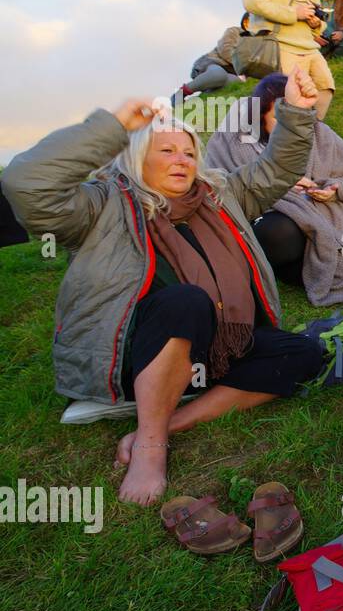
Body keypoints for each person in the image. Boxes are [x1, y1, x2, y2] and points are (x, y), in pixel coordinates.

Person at [2, 68, 326, 505]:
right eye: (167, 150)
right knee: (185, 302)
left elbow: (278, 168)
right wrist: (111, 128)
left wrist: (295, 113)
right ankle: (151, 448)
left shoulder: (219, 195)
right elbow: (27, 185)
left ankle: (167, 419)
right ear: (137, 158)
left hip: (216, 347)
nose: (181, 161)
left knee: (305, 351)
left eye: (189, 153)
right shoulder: (100, 206)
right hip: (133, 353)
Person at [207, 73, 343, 306]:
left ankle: (310, 264)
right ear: (259, 117)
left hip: (325, 214)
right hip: (271, 218)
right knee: (277, 233)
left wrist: (331, 188)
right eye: (278, 118)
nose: (286, 124)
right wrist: (280, 185)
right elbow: (220, 192)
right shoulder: (233, 139)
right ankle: (283, 264)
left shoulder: (319, 132)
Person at [242, 0, 335, 119]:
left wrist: (316, 23)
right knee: (288, 95)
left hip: (309, 46)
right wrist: (293, 13)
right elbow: (253, 1)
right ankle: (281, 138)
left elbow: (317, 17)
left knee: (325, 87)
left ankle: (310, 135)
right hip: (279, 44)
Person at [177, 13, 249, 100]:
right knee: (219, 75)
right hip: (212, 63)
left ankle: (202, 98)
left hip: (230, 73)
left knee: (236, 83)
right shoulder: (234, 32)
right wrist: (244, 67)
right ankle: (180, 94)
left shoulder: (258, 43)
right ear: (246, 22)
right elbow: (225, 50)